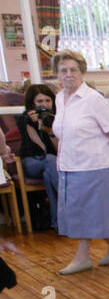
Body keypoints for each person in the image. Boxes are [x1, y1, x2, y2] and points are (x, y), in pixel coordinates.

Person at [51, 50, 109, 274]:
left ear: (82, 72)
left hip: (93, 164)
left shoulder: (93, 99)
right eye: (63, 70)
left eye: (73, 70)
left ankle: (82, 258)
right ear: (57, 74)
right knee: (90, 210)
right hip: (68, 163)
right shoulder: (60, 98)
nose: (68, 74)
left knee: (83, 211)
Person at [18, 84, 60, 230]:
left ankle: (59, 223)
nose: (44, 105)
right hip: (31, 162)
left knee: (49, 174)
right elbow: (41, 149)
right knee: (50, 159)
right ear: (32, 104)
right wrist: (35, 124)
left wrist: (49, 129)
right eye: (39, 102)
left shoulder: (56, 120)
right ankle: (74, 207)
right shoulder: (25, 119)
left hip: (51, 165)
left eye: (47, 101)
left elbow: (58, 149)